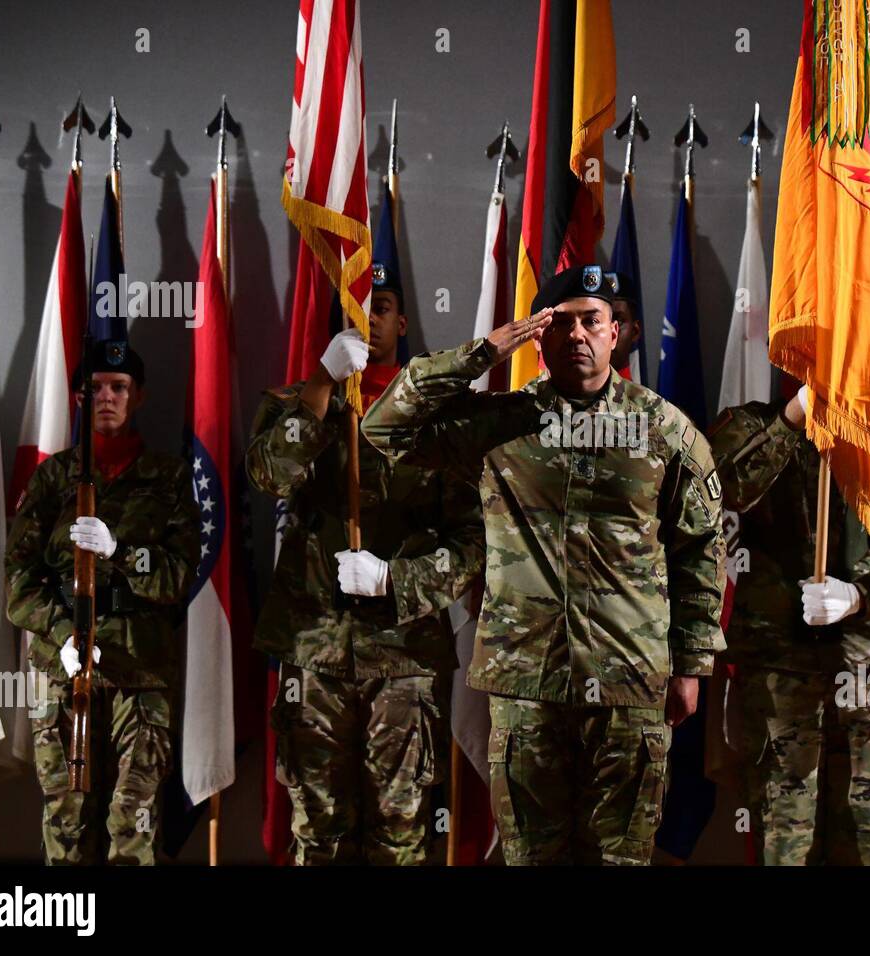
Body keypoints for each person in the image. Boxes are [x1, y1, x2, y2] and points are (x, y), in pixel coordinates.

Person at [361, 264, 726, 865]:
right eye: (561, 322)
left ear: (617, 333)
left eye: (593, 321)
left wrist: (690, 665)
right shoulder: (499, 423)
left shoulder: (664, 430)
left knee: (622, 857)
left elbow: (699, 549)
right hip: (528, 681)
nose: (578, 334)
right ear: (539, 335)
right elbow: (385, 428)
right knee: (532, 857)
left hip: (629, 682)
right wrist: (483, 352)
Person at [247, 263, 485, 865]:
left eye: (380, 306)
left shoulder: (439, 416)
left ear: (402, 322)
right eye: (356, 306)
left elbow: (472, 542)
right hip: (315, 650)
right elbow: (272, 474)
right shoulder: (293, 402)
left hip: (403, 653)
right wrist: (324, 386)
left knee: (398, 833)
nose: (369, 317)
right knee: (318, 830)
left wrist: (394, 578)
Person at [710, 385, 870, 864]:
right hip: (778, 677)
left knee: (867, 841)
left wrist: (859, 596)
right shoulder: (750, 425)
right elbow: (722, 491)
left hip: (864, 677)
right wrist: (792, 419)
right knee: (783, 842)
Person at [6, 342, 199, 864]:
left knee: (134, 820)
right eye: (94, 388)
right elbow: (18, 586)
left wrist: (122, 552)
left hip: (141, 673)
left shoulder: (169, 479)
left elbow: (179, 576)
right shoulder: (51, 481)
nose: (106, 397)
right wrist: (62, 633)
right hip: (63, 669)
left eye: (118, 386)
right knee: (66, 823)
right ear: (78, 397)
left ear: (138, 397)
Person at [607, 271, 642, 379]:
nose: (609, 333)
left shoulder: (645, 396)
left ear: (635, 331)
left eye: (619, 322)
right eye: (594, 321)